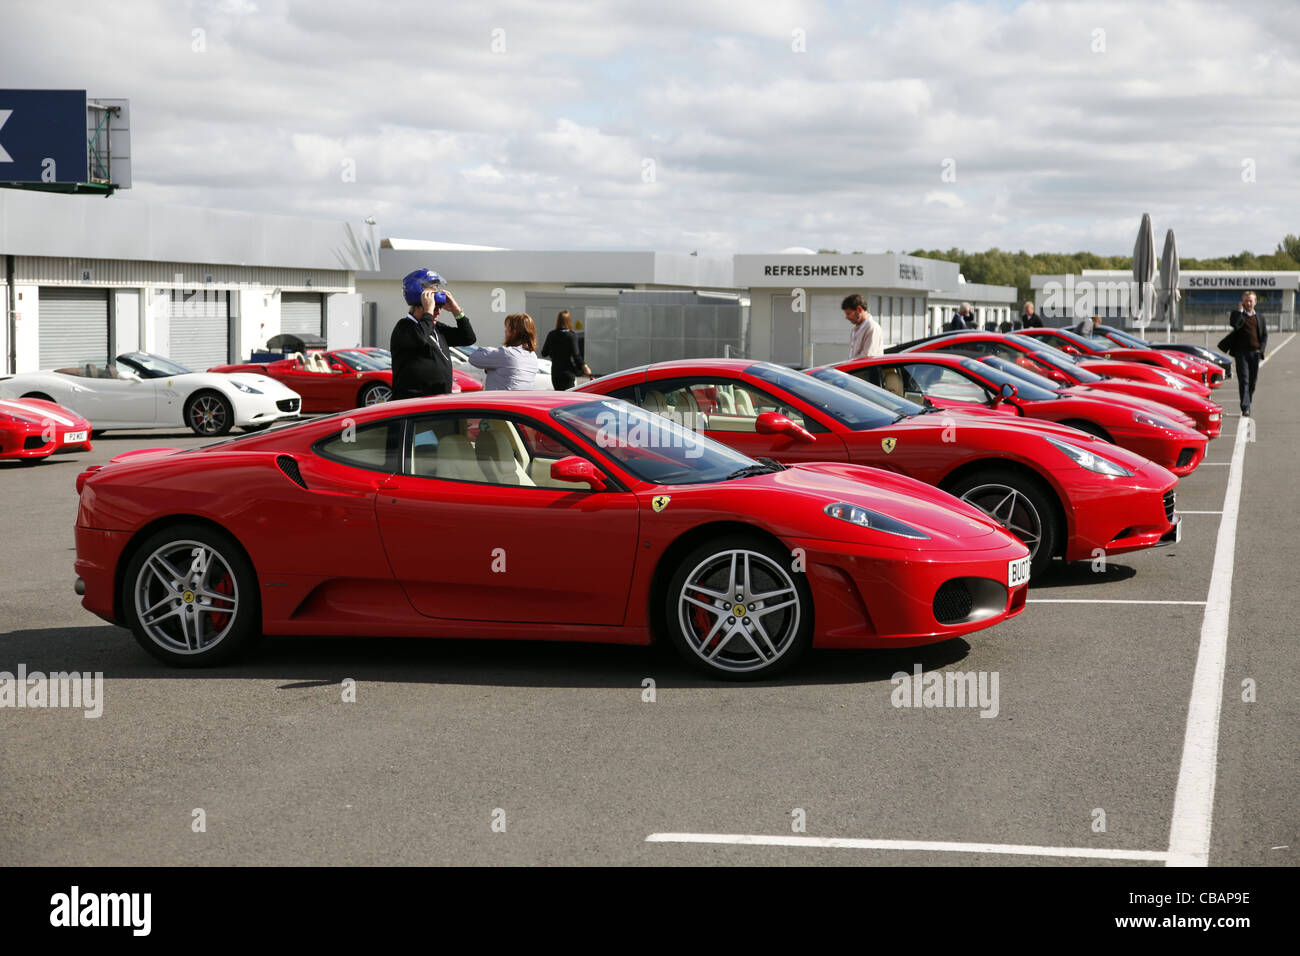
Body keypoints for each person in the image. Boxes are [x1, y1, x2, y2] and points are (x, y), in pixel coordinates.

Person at [390, 269, 475, 399]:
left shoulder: (436, 328)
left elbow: (468, 338)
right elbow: (419, 339)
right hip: (414, 404)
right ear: (418, 307)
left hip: (439, 401)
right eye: (435, 307)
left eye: (440, 308)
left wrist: (456, 311)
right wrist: (428, 312)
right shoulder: (404, 327)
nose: (438, 312)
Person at [467, 313, 540, 390]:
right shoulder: (532, 356)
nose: (505, 332)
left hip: (499, 401)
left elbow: (473, 358)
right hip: (521, 400)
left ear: (514, 332)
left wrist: (491, 351)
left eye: (507, 328)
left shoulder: (506, 353)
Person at [1223, 291, 1267, 416]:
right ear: (1242, 302)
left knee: (1252, 382)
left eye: (1250, 300)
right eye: (1246, 300)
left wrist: (1261, 350)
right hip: (1241, 354)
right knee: (1244, 381)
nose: (1248, 303)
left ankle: (1248, 401)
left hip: (1255, 353)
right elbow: (1235, 324)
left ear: (1255, 302)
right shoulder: (1238, 315)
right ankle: (1245, 407)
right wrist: (1240, 311)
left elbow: (1264, 336)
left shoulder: (1260, 318)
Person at [540, 310, 591, 389]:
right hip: (568, 372)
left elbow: (544, 353)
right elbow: (576, 355)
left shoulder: (551, 334)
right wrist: (584, 367)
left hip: (555, 372)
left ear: (558, 320)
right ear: (569, 321)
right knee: (569, 397)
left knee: (559, 396)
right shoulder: (571, 336)